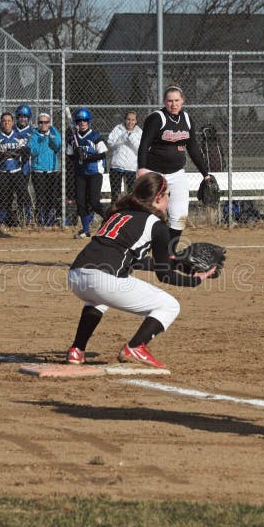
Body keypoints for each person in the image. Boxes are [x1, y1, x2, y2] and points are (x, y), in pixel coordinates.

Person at [66, 172, 217, 368]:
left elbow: (135, 261)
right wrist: (195, 280)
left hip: (76, 276)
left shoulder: (117, 214)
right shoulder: (157, 226)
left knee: (98, 300)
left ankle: (77, 350)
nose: (169, 199)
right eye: (167, 194)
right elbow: (163, 276)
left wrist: (178, 264)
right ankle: (135, 347)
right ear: (157, 198)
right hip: (103, 279)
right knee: (170, 306)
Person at [137, 85, 211, 252]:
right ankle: (140, 249)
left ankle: (167, 253)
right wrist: (141, 169)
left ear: (182, 101)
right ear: (164, 101)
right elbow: (144, 144)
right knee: (151, 214)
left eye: (177, 100)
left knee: (179, 215)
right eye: (170, 100)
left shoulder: (187, 119)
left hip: (177, 173)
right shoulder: (157, 118)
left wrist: (205, 174)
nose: (173, 104)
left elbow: (193, 148)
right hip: (154, 173)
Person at [67, 107, 107, 238]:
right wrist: (77, 156)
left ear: (88, 121)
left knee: (94, 201)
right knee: (80, 202)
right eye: (79, 120)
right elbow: (70, 155)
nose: (82, 123)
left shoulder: (95, 136)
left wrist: (86, 157)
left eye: (85, 120)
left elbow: (102, 154)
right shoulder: (73, 139)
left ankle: (110, 220)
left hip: (94, 172)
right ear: (76, 122)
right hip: (80, 173)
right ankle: (85, 230)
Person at [0, 112, 29, 226]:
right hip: (3, 172)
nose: (6, 123)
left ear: (12, 122)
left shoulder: (19, 136)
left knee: (23, 194)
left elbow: (24, 152)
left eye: (9, 121)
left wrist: (7, 153)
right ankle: (2, 221)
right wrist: (14, 153)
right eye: (4, 121)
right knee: (4, 197)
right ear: (1, 123)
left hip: (16, 171)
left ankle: (26, 219)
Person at [28, 112, 62, 226]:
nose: (43, 124)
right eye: (41, 122)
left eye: (46, 122)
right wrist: (41, 142)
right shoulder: (34, 135)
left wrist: (50, 137)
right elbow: (32, 151)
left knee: (51, 196)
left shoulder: (53, 132)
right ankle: (40, 220)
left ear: (49, 123)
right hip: (38, 170)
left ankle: (51, 220)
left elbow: (58, 146)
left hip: (52, 169)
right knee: (41, 197)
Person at [106, 111, 142, 203]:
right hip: (117, 166)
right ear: (125, 120)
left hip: (132, 168)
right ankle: (114, 214)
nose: (130, 122)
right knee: (115, 195)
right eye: (128, 119)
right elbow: (110, 144)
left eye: (133, 120)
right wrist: (122, 138)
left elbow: (141, 149)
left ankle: (130, 214)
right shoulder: (118, 129)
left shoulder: (139, 132)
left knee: (132, 194)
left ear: (136, 121)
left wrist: (131, 139)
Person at [14, 104, 34, 223]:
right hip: (13, 165)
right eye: (20, 116)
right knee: (13, 191)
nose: (23, 119)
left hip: (26, 166)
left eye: (25, 116)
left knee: (24, 190)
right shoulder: (13, 129)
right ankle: (17, 215)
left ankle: (27, 214)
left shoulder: (32, 131)